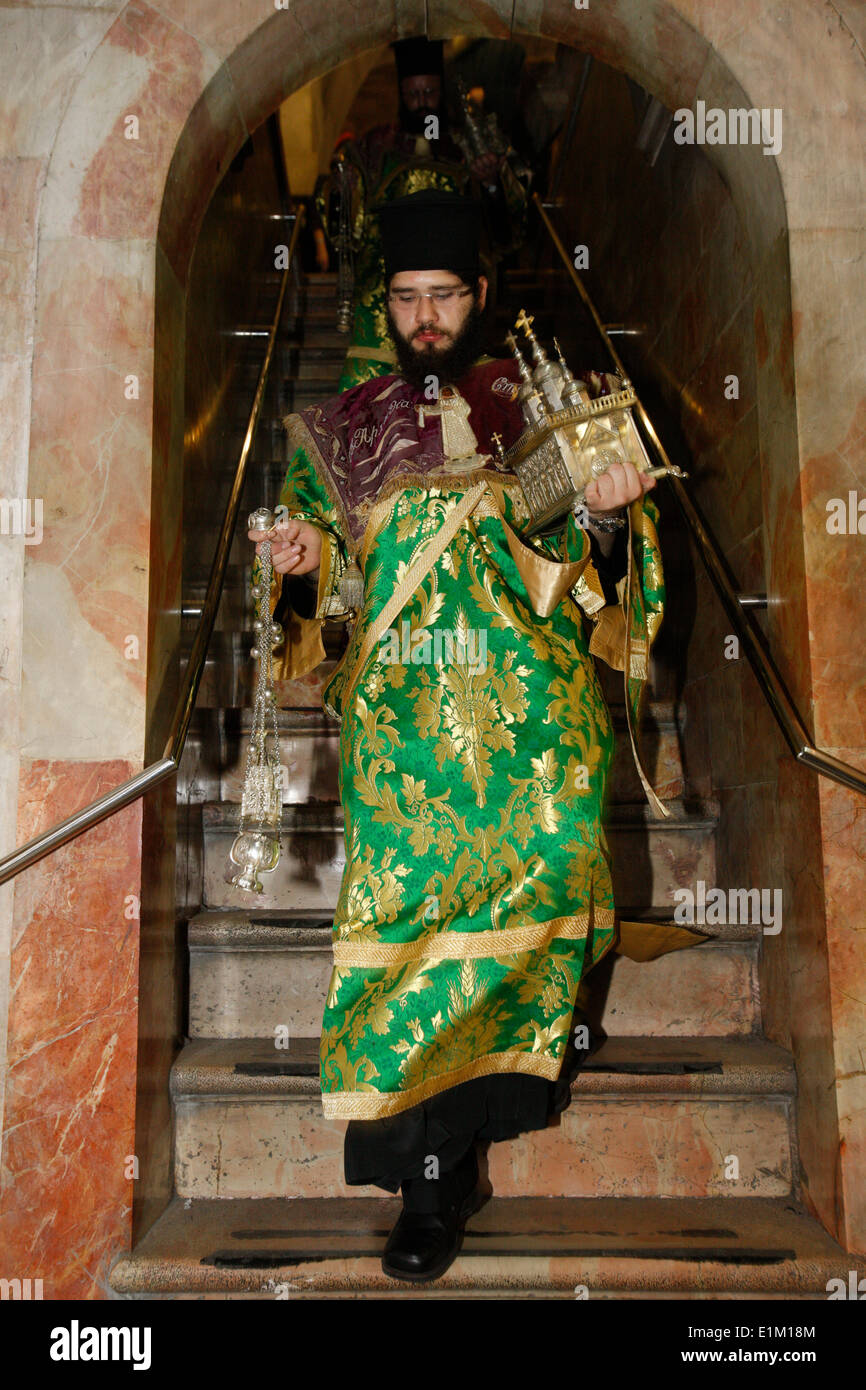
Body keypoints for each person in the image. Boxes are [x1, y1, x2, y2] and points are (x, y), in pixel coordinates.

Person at [248, 190, 700, 1283]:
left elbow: (596, 569)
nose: (425, 317)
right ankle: (427, 1185)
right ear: (385, 306)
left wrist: (607, 511)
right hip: (403, 730)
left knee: (547, 884)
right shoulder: (341, 429)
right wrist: (306, 565)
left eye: (444, 295)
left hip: (535, 722)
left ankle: (457, 1151)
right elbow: (326, 604)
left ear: (480, 295)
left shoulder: (539, 397)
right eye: (406, 298)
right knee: (408, 930)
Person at [315, 37, 529, 391]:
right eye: (413, 94)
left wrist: (492, 182)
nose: (422, 102)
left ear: (440, 92)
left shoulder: (467, 144)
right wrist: (342, 191)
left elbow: (508, 219)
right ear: (401, 95)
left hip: (455, 272)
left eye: (429, 92)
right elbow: (343, 221)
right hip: (386, 272)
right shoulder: (372, 148)